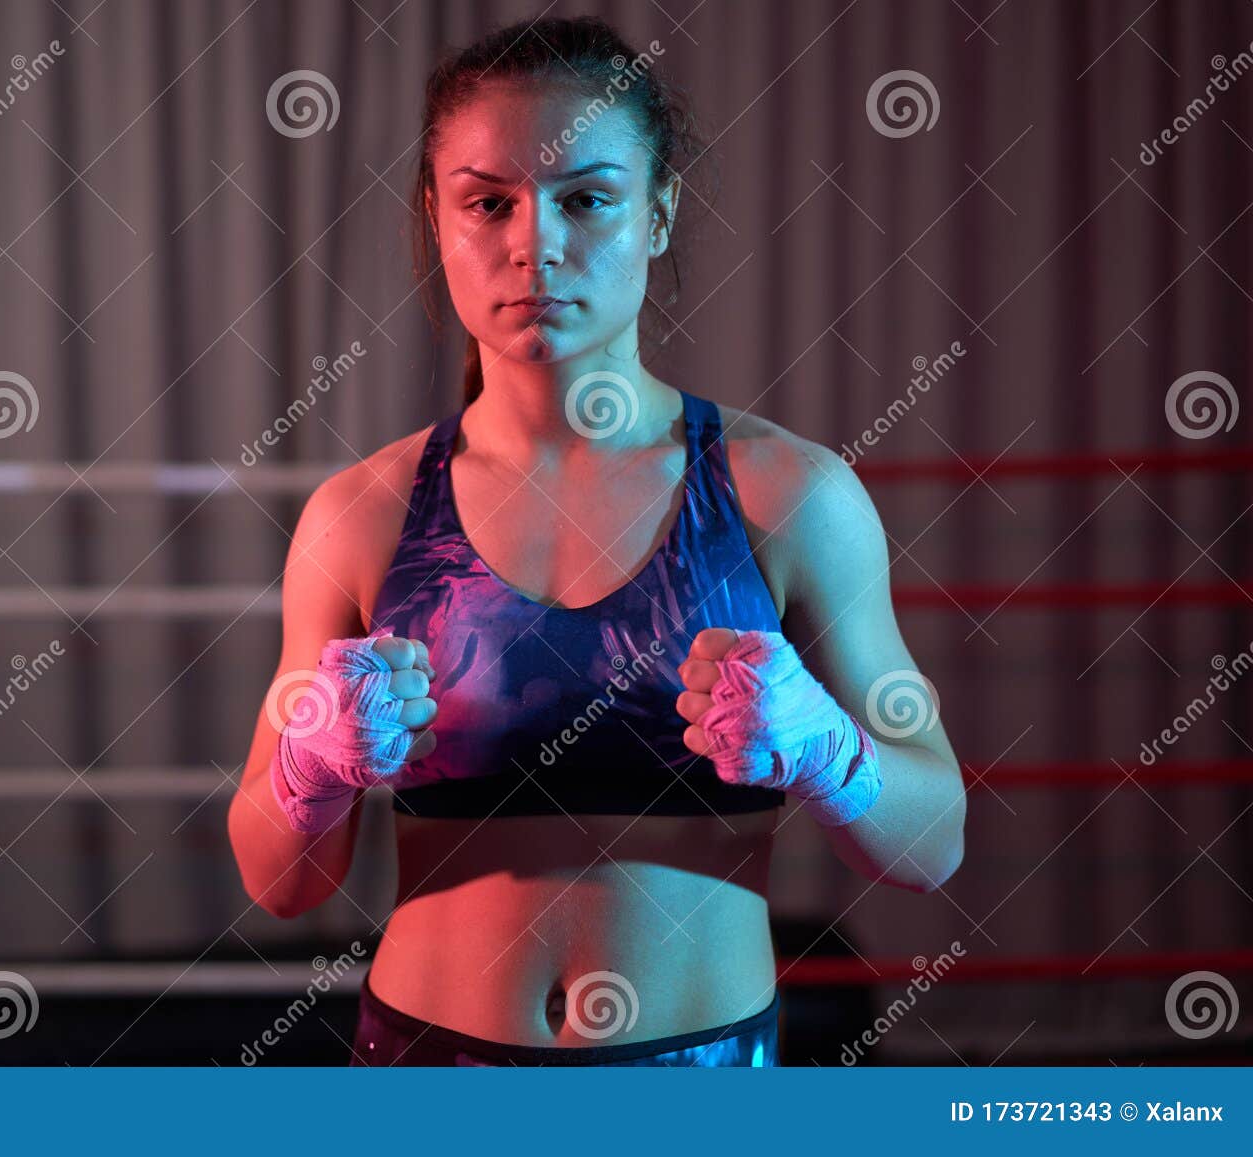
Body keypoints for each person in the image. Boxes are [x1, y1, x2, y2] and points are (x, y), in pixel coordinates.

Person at [227, 14, 966, 1067]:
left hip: (699, 1069)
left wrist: (828, 750)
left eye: (587, 198)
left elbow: (934, 843)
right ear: (436, 217)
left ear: (657, 214)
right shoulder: (365, 513)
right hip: (425, 1067)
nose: (534, 244)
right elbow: (279, 877)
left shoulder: (787, 494)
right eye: (488, 202)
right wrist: (313, 764)